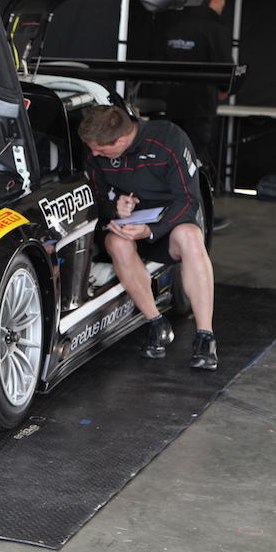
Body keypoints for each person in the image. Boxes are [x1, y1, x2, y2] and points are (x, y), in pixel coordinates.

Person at [79, 105, 217, 370]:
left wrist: (154, 230)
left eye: (100, 150)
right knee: (117, 243)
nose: (94, 153)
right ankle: (156, 323)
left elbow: (188, 200)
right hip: (128, 229)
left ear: (120, 140)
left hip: (167, 226)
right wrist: (115, 207)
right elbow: (95, 202)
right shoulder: (94, 152)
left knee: (191, 236)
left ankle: (205, 336)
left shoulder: (168, 139)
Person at [161, 0, 232, 231]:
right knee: (196, 161)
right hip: (200, 106)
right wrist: (225, 88)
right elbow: (225, 68)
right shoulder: (215, 28)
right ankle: (198, 216)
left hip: (173, 104)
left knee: (173, 159)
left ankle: (172, 212)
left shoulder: (177, 26)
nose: (224, 4)